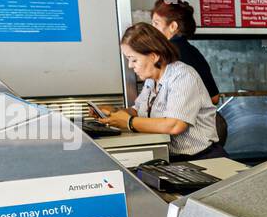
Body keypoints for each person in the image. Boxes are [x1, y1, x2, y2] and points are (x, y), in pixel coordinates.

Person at [96, 23, 224, 161]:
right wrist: (114, 113)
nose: (130, 65)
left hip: (202, 159)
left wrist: (128, 122)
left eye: (134, 59)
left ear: (153, 56)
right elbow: (138, 110)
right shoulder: (151, 80)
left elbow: (175, 125)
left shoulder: (182, 76)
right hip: (172, 158)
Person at [150, 0, 220, 103]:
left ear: (173, 26)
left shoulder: (166, 54)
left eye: (156, 24)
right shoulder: (193, 51)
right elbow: (214, 97)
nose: (152, 29)